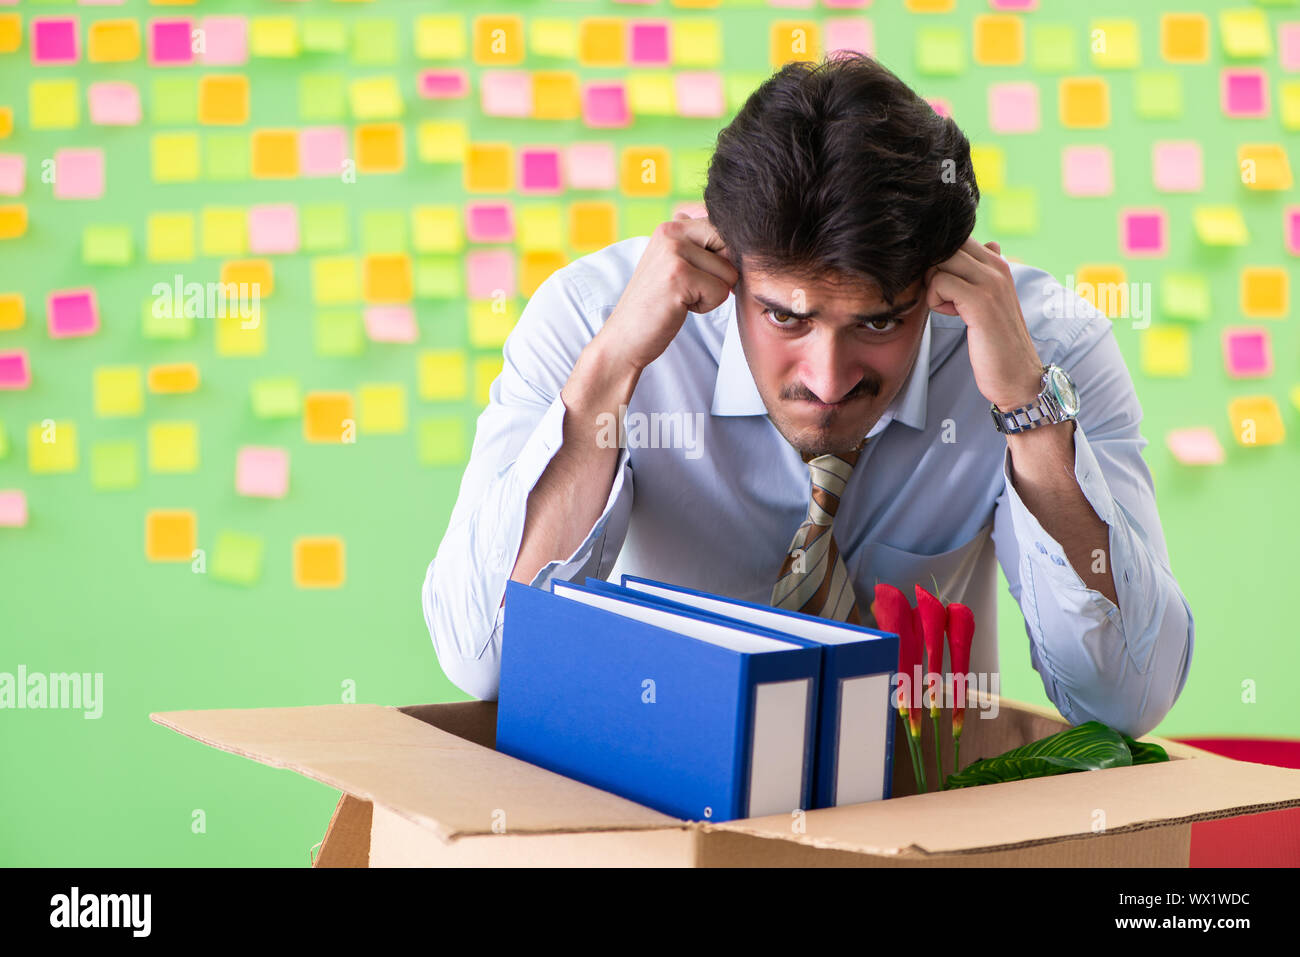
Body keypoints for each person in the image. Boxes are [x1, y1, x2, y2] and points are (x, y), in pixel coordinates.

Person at [421, 52, 1193, 738]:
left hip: (922, 827)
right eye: (785, 315)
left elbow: (1127, 700)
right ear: (729, 265)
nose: (827, 379)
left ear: (940, 280)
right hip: (655, 811)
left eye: (880, 320)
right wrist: (614, 368)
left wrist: (1028, 414)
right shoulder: (594, 319)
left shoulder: (1045, 348)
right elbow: (481, 659)